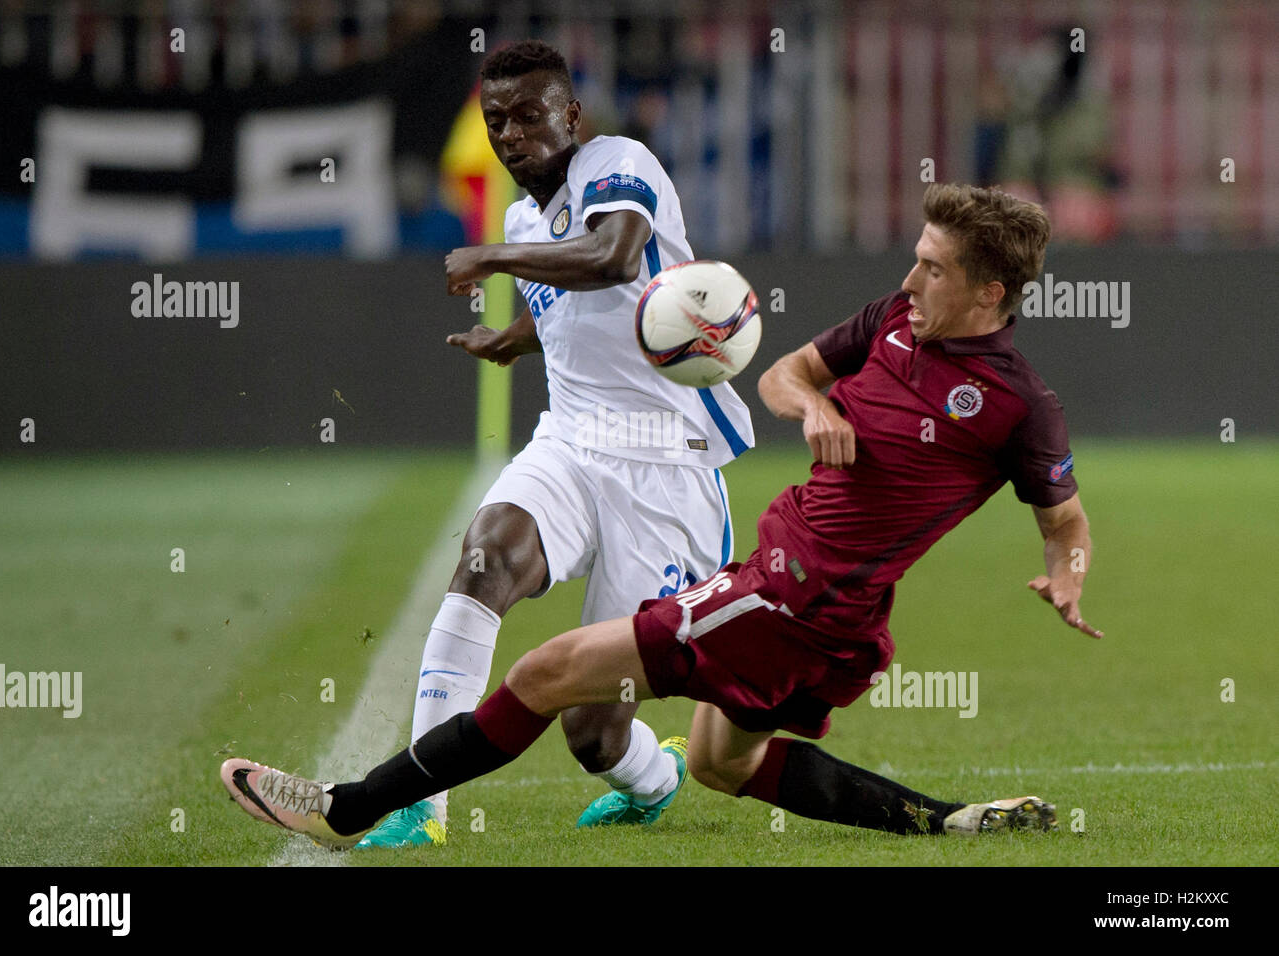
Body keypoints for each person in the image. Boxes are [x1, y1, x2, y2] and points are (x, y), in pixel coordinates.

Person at [222, 183, 1100, 848]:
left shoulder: (1019, 406)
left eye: (933, 268)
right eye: (914, 256)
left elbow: (1063, 518)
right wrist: (818, 409)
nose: (910, 277)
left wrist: (1068, 571)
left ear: (990, 292)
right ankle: (949, 825)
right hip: (813, 608)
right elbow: (782, 374)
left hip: (789, 601)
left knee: (545, 671)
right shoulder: (894, 323)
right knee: (723, 762)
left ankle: (350, 810)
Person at [351, 40, 754, 849]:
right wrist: (513, 337)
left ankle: (655, 776)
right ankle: (418, 804)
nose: (509, 133)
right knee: (486, 558)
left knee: (593, 732)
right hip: (569, 441)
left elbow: (612, 257)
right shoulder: (522, 214)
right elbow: (567, 304)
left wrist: (491, 258)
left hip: (664, 461)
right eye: (495, 119)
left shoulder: (617, 162)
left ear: (571, 114)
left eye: (529, 114)